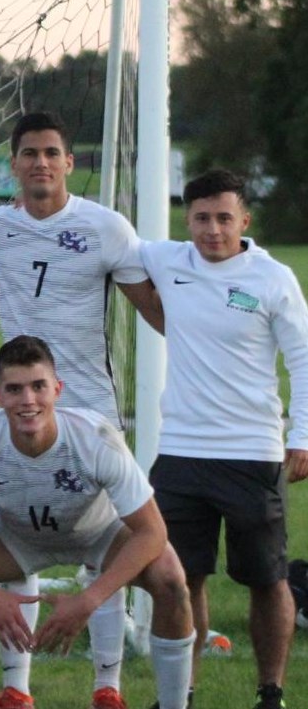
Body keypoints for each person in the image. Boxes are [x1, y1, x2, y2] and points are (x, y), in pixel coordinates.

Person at [0, 110, 164, 708]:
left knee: (103, 539)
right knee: (19, 522)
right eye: (29, 153)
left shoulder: (105, 227)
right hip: (24, 400)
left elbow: (148, 304)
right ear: (13, 164)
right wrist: (4, 301)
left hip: (88, 409)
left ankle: (108, 686)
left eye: (52, 152)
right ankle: (16, 690)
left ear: (69, 162)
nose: (40, 162)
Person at [0, 336, 196, 709]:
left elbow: (152, 532)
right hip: (16, 537)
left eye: (38, 386)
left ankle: (176, 704)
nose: (28, 400)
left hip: (98, 534)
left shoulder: (96, 438)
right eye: (14, 389)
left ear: (57, 390)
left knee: (170, 577)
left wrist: (89, 599)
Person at [136, 169, 308, 709]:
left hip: (252, 453)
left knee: (267, 578)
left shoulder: (273, 278)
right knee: (181, 579)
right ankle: (180, 694)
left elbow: (304, 360)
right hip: (180, 451)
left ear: (244, 221)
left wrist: (302, 435)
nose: (213, 230)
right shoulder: (166, 261)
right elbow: (107, 245)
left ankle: (270, 694)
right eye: (202, 219)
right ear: (186, 220)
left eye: (224, 218)